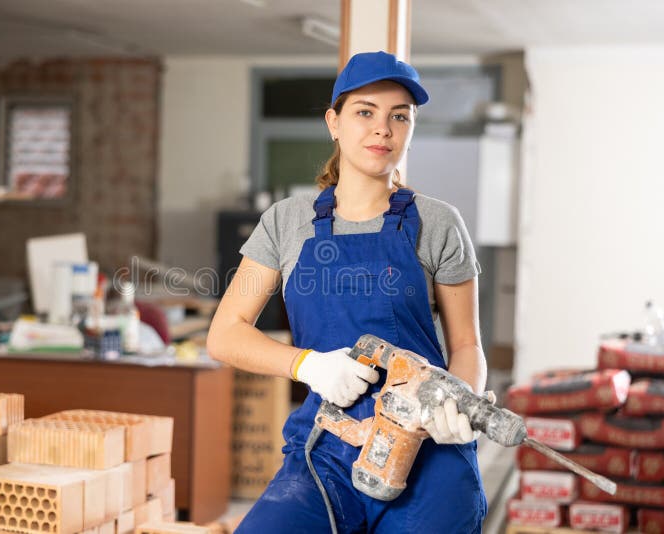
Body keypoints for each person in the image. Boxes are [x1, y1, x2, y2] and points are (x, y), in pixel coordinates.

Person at [207, 51, 487, 533]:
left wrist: (457, 402)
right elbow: (225, 335)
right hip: (329, 446)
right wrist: (308, 365)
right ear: (333, 123)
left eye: (400, 116)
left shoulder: (439, 223)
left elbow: (466, 346)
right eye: (365, 112)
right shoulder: (285, 223)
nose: (383, 129)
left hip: (425, 445)